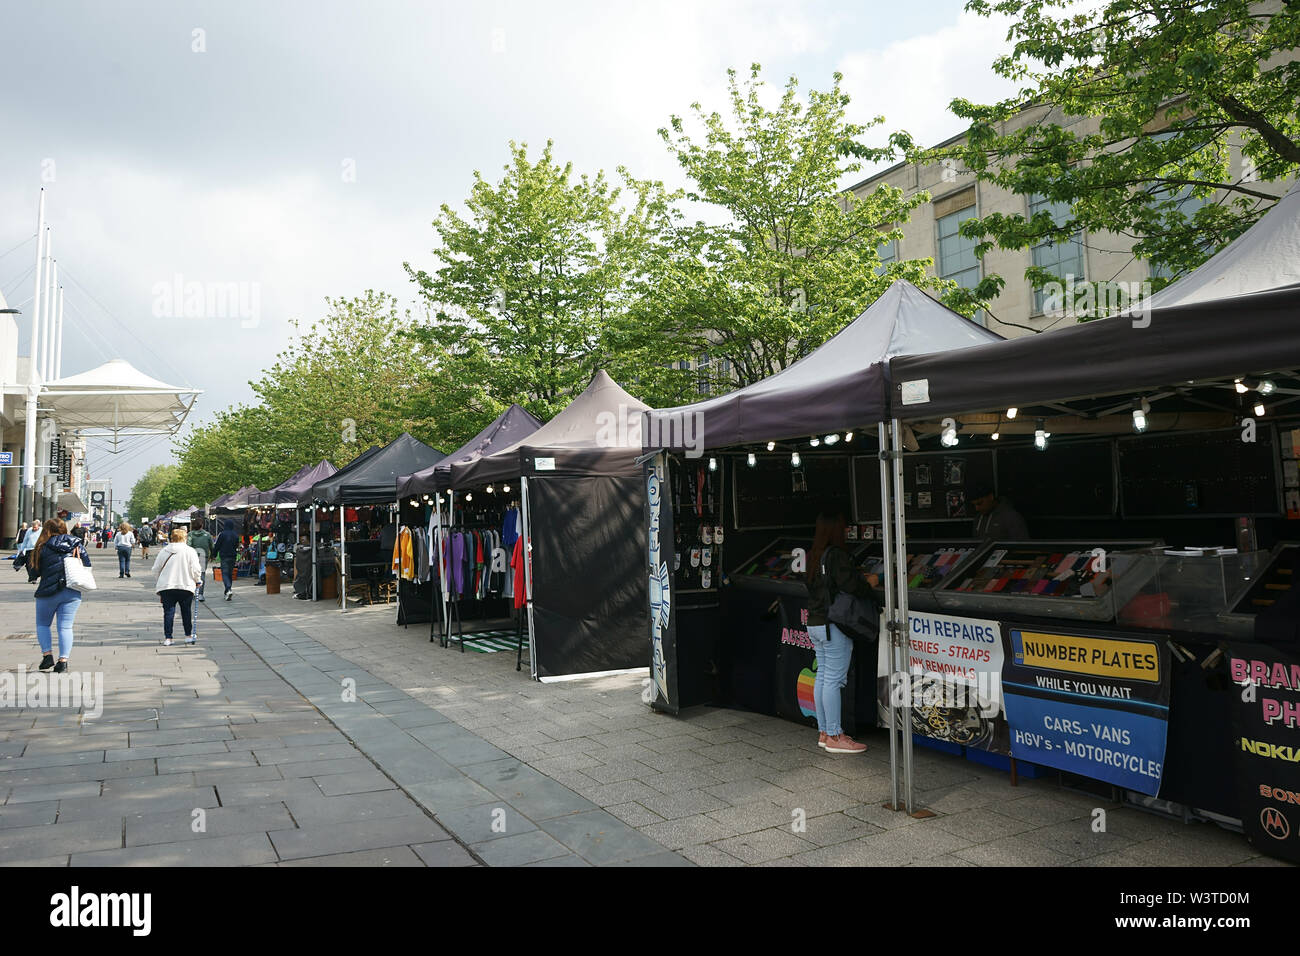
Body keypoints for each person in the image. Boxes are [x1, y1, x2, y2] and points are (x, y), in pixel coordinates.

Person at [806, 508, 879, 756]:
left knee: (823, 676)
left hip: (815, 622)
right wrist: (868, 583)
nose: (847, 530)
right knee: (833, 680)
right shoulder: (836, 554)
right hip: (833, 624)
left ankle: (825, 732)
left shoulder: (814, 554)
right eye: (843, 526)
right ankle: (836, 735)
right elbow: (850, 585)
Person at [27, 518, 92, 673]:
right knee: (65, 626)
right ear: (64, 528)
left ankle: (47, 655)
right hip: (71, 591)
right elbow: (87, 565)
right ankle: (63, 661)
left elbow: (33, 573)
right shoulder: (77, 544)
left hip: (47, 592)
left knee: (43, 624)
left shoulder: (41, 547)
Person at [152, 528, 204, 646]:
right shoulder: (190, 551)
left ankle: (168, 638)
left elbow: (155, 569)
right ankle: (188, 635)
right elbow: (196, 569)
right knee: (186, 611)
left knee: (168, 612)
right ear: (184, 538)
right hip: (185, 585)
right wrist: (198, 580)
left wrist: (160, 580)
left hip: (167, 586)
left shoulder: (164, 550)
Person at [188, 519, 215, 602]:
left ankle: (192, 592)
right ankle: (200, 594)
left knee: (191, 574)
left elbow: (188, 546)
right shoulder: (207, 535)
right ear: (202, 525)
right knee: (202, 574)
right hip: (204, 557)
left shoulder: (190, 535)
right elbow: (212, 546)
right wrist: (212, 555)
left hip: (192, 557)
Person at [213, 520, 240, 601]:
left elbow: (217, 545)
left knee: (224, 573)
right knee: (229, 574)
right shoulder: (235, 535)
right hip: (233, 556)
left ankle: (228, 589)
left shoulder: (222, 534)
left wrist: (214, 554)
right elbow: (236, 545)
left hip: (224, 556)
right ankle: (227, 591)